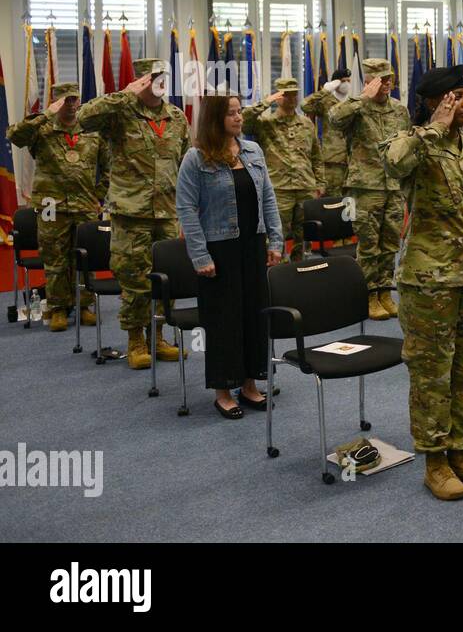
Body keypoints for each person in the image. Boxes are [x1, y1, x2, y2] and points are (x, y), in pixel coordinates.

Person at [380, 65, 463, 501]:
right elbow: (395, 165)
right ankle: (434, 462)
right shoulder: (410, 142)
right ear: (434, 101)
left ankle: (461, 453)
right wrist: (434, 128)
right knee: (432, 372)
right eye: (455, 95)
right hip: (429, 281)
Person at [176, 95, 283, 419]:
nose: (239, 118)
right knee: (224, 322)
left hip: (253, 245)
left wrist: (275, 240)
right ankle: (223, 391)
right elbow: (186, 210)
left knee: (253, 316)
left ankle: (249, 386)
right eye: (231, 113)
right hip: (218, 250)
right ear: (214, 118)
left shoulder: (253, 151)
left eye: (240, 112)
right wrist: (199, 256)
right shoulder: (196, 159)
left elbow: (268, 198)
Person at [77, 58, 189, 369]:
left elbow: (187, 163)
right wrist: (126, 93)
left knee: (168, 279)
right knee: (134, 279)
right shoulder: (119, 113)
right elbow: (83, 118)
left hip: (167, 212)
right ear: (140, 80)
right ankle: (136, 340)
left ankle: (159, 336)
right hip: (130, 212)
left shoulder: (176, 117)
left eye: (163, 76)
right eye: (153, 77)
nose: (160, 81)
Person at [5, 82, 109, 332]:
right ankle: (58, 306)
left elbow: (109, 165)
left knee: (85, 256)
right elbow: (14, 135)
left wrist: (99, 195)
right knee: (55, 257)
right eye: (65, 100)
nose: (71, 105)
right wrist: (46, 114)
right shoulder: (42, 129)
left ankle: (83, 304)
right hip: (51, 204)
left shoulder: (92, 128)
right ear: (55, 102)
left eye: (74, 99)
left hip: (84, 204)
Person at [328, 58, 410, 320]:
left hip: (394, 187)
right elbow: (333, 120)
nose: (386, 84)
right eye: (380, 80)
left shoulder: (399, 110)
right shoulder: (356, 108)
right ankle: (369, 295)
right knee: (369, 245)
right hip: (366, 187)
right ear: (368, 82)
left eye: (389, 79)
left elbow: (405, 146)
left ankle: (385, 292)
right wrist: (362, 98)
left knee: (389, 244)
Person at [241, 77, 323, 261]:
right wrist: (266, 102)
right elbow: (245, 120)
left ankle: (299, 272)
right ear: (278, 97)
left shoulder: (307, 123)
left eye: (295, 94)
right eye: (287, 95)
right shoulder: (265, 123)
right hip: (279, 188)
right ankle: (278, 275)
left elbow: (316, 156)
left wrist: (320, 183)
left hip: (305, 187)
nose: (292, 99)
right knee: (276, 236)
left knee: (303, 237)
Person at [302, 68, 351, 197]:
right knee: (332, 201)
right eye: (342, 81)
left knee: (350, 204)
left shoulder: (353, 102)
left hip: (352, 160)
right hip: (332, 160)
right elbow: (305, 105)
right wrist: (324, 91)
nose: (346, 83)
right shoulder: (326, 101)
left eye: (348, 81)